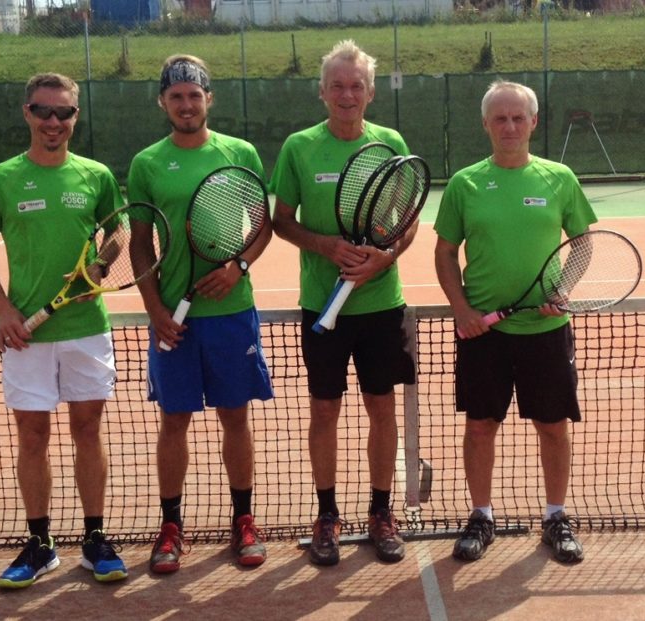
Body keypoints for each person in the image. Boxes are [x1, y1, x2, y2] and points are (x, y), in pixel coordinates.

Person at [0, 73, 128, 588]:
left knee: (87, 432)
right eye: (44, 111)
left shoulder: (97, 175)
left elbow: (116, 233)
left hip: (86, 329)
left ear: (76, 118)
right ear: (27, 113)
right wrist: (3, 310)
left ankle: (95, 539)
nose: (54, 122)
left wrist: (98, 268)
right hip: (27, 336)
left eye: (65, 113)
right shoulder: (1, 179)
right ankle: (39, 544)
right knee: (32, 437)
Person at [269, 40, 417, 566]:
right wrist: (326, 245)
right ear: (322, 92)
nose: (347, 94)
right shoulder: (298, 147)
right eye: (337, 85)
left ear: (371, 92)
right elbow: (280, 221)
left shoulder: (390, 141)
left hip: (380, 306)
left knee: (382, 408)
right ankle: (327, 515)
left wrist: (385, 258)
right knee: (325, 411)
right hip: (322, 305)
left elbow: (407, 219)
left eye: (356, 86)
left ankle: (381, 512)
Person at [434, 80, 595, 564]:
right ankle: (481, 515)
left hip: (545, 333)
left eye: (517, 117)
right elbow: (444, 253)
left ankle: (555, 516)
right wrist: (461, 310)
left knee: (553, 425)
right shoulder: (465, 183)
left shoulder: (559, 178)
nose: (509, 126)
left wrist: (563, 289)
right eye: (499, 118)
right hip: (483, 333)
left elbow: (583, 243)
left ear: (533, 122)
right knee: (481, 425)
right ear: (485, 124)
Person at [127, 54, 274, 573]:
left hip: (232, 311)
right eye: (176, 97)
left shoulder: (240, 153)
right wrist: (154, 308)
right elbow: (140, 244)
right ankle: (171, 526)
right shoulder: (146, 163)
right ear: (163, 102)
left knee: (236, 417)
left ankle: (244, 519)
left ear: (208, 99)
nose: (186, 105)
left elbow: (262, 226)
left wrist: (238, 266)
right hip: (174, 317)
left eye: (194, 95)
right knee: (174, 421)